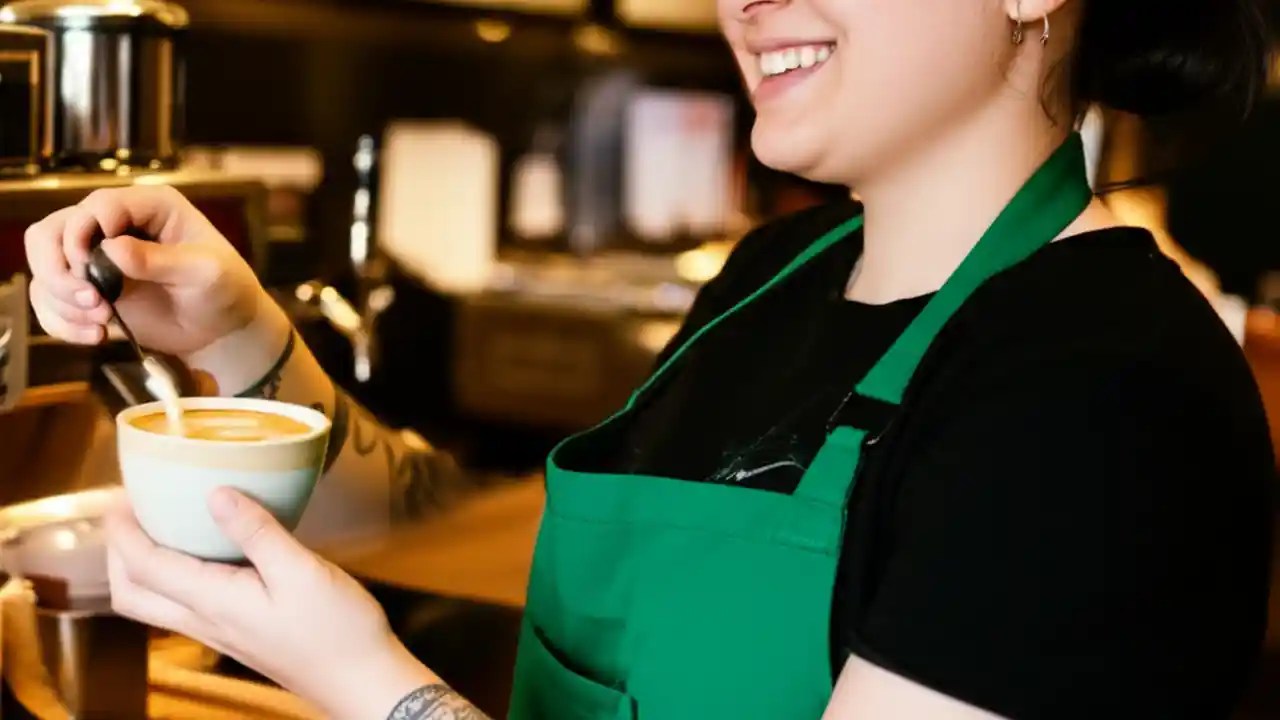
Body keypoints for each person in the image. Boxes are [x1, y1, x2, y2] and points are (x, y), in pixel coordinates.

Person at [23, 0, 1276, 718]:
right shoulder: (766, 280)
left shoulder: (1103, 397)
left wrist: (379, 695)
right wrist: (240, 335)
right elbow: (452, 531)